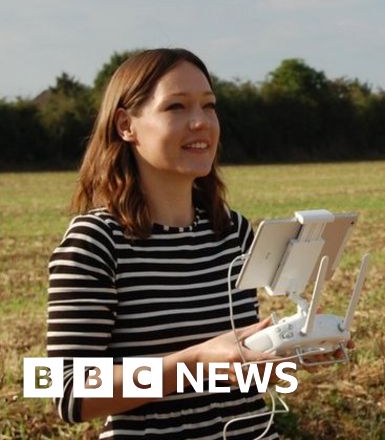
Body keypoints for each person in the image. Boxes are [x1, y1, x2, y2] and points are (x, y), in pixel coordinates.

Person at [47, 48, 282, 439]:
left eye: (209, 107)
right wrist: (195, 363)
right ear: (126, 125)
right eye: (176, 107)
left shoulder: (233, 232)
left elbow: (240, 378)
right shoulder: (96, 242)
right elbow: (66, 391)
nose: (200, 122)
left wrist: (290, 351)